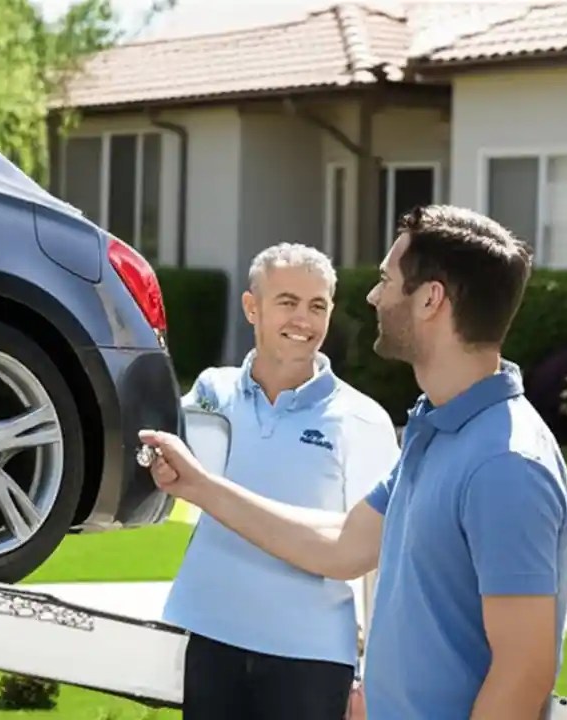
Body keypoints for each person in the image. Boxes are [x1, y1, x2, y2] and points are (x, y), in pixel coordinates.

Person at [142, 205, 567, 719]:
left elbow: (524, 673)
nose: (372, 295)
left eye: (387, 280)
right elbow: (343, 546)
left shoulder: (505, 464)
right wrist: (199, 486)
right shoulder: (434, 433)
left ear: (431, 299)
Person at [167, 243, 400, 719]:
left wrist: (374, 676)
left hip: (311, 658)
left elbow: (383, 561)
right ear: (252, 307)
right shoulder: (212, 391)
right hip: (210, 636)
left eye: (318, 306)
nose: (304, 320)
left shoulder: (363, 419)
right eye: (287, 302)